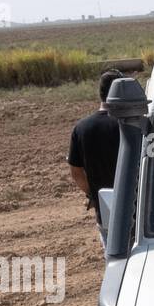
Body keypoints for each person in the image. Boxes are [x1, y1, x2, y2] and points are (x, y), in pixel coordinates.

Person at [67, 69, 125, 235]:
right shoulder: (131, 124)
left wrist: (94, 196)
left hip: (105, 211)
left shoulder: (81, 128)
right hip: (138, 208)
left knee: (113, 257)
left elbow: (76, 173)